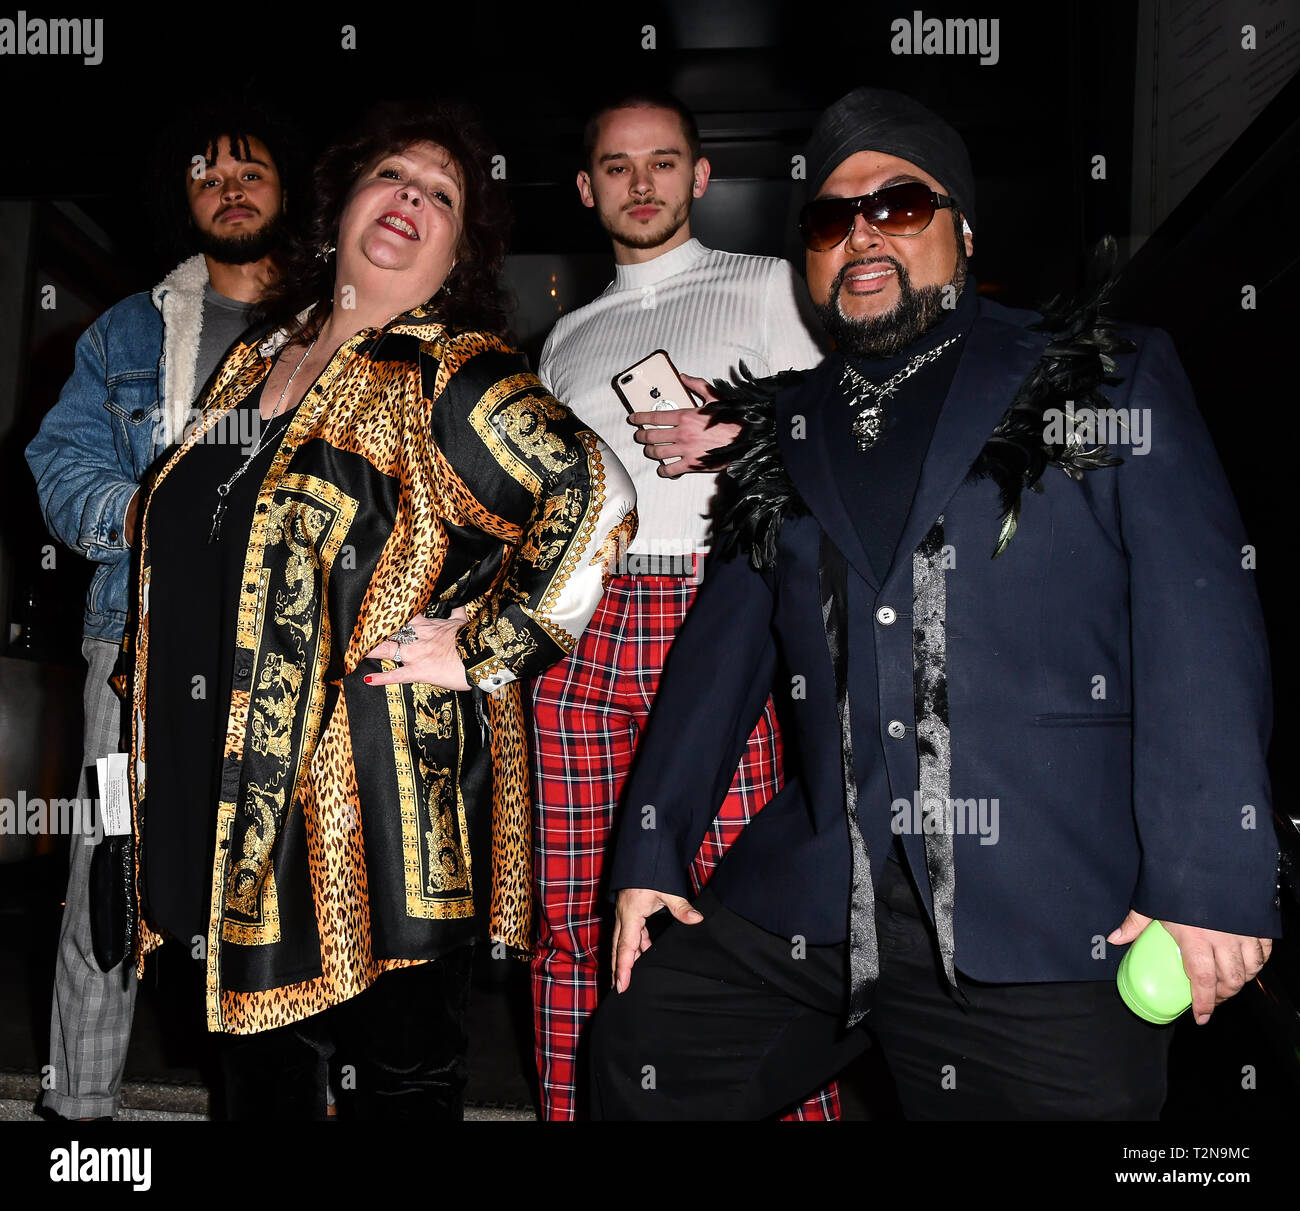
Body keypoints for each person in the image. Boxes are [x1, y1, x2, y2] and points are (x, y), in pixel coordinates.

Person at [590, 87, 1279, 1120]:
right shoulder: (782, 432)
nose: (860, 230)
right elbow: (717, 657)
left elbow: (1203, 621)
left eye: (898, 204)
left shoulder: (1104, 375)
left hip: (1049, 913)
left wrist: (1211, 874)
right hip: (819, 903)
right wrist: (651, 843)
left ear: (959, 229)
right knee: (643, 1053)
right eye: (829, 218)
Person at [126, 100, 635, 1120]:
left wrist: (492, 642)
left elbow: (597, 495)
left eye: (441, 195)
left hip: (381, 803)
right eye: (392, 175)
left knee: (397, 1078)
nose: (411, 197)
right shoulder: (258, 357)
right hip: (230, 791)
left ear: (459, 249)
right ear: (341, 206)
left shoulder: (451, 367)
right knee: (255, 1075)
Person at [530, 90, 837, 1121]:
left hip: (731, 605)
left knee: (749, 912)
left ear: (699, 178)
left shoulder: (777, 288)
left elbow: (854, 427)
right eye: (616, 166)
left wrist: (750, 422)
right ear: (587, 189)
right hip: (589, 616)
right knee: (577, 904)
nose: (642, 182)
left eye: (663, 161)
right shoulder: (562, 339)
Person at [25, 106, 296, 1120]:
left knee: (273, 880)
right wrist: (142, 512)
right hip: (132, 643)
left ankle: (260, 1098)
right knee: (109, 869)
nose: (230, 185)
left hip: (285, 651)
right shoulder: (129, 328)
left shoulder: (336, 328)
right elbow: (58, 458)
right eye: (206, 172)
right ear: (179, 198)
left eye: (251, 167)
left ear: (287, 186)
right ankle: (80, 1113)